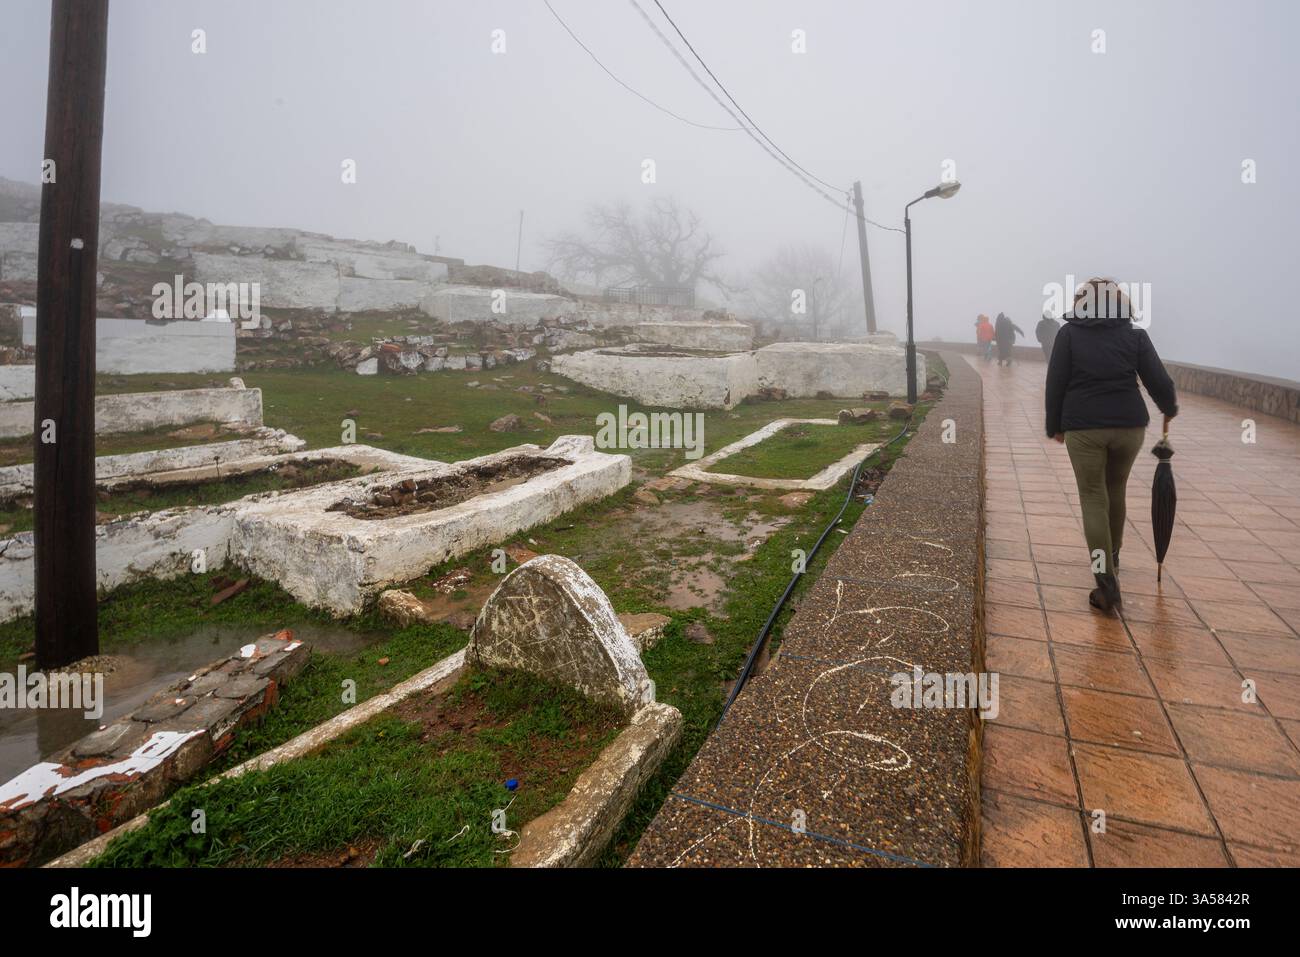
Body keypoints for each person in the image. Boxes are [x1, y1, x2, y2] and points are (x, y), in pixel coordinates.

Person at [1045, 278, 1178, 613]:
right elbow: (1158, 380)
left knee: (1093, 498)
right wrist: (1169, 406)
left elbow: (1055, 383)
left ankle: (1106, 583)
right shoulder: (1134, 335)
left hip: (1084, 426)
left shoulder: (1069, 334)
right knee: (1115, 490)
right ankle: (1112, 560)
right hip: (1129, 426)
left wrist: (1054, 426)